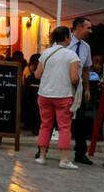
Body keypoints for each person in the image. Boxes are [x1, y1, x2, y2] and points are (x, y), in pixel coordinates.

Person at [33, 26, 83, 169]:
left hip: (44, 94)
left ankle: (42, 156)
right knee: (64, 127)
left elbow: (37, 75)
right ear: (67, 38)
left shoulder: (45, 53)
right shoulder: (72, 56)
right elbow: (74, 78)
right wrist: (78, 82)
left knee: (45, 125)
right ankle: (64, 159)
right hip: (63, 95)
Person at [67, 17, 94, 165]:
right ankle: (42, 148)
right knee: (56, 118)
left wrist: (87, 89)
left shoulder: (86, 47)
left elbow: (85, 69)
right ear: (79, 27)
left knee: (80, 121)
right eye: (88, 28)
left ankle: (80, 153)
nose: (90, 31)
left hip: (79, 88)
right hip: (63, 86)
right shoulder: (64, 43)